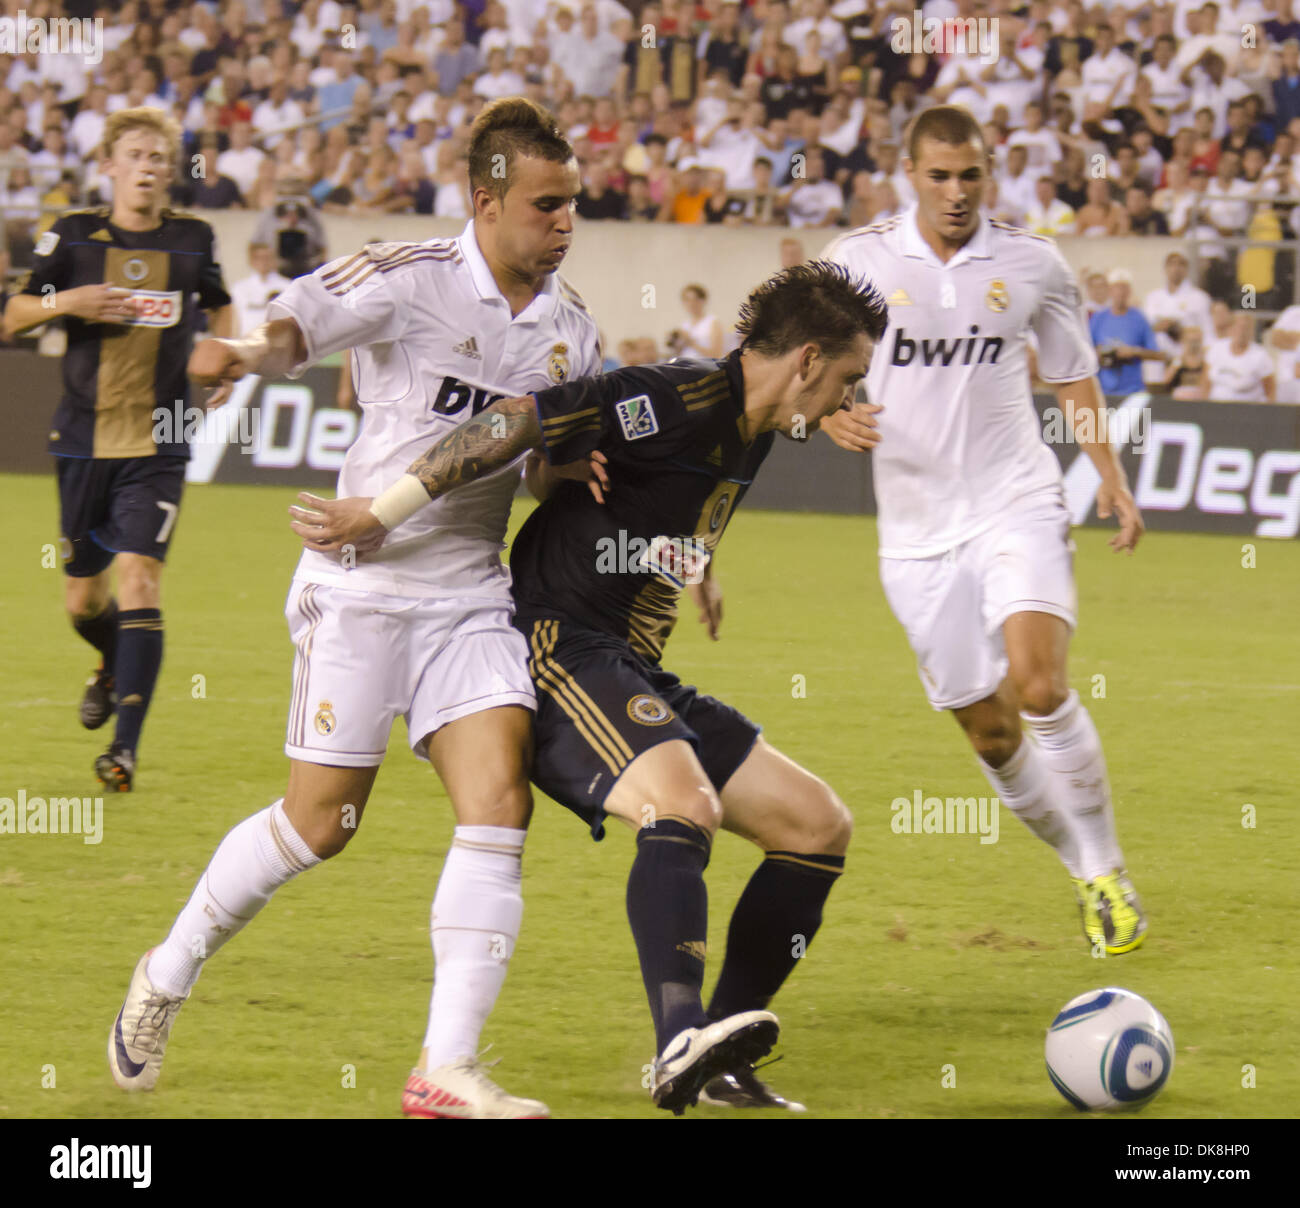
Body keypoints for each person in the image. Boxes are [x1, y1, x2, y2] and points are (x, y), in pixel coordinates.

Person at [286, 262, 889, 1114]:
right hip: (555, 645)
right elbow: (520, 419)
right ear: (807, 358)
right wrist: (379, 513)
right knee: (682, 806)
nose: (846, 402)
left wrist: (693, 566)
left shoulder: (752, 429)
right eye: (846, 380)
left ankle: (715, 1057)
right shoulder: (675, 398)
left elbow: (655, 507)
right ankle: (679, 1036)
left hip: (628, 666)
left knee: (817, 825)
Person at [105, 98, 601, 1120]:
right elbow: (296, 327)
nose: (564, 224)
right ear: (486, 200)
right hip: (361, 585)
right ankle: (169, 963)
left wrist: (580, 473)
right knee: (321, 823)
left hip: (469, 595)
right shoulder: (407, 275)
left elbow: (544, 470)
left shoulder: (572, 332)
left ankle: (444, 1067)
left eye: (573, 207)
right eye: (546, 206)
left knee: (498, 800)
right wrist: (246, 356)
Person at [822, 105, 1149, 957]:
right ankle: (1082, 869)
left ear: (990, 172)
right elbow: (794, 365)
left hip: (1015, 499)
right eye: (939, 175)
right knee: (993, 732)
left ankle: (1109, 871)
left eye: (971, 175)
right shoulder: (854, 262)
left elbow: (1073, 375)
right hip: (916, 535)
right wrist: (824, 418)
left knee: (1038, 687)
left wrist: (1108, 477)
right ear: (909, 172)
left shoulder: (1032, 262)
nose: (956, 192)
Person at [2, 108, 232, 791]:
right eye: (135, 154)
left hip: (160, 440)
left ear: (169, 170)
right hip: (81, 440)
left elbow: (219, 305)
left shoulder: (193, 239)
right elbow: (14, 316)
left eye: (160, 157)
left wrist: (225, 355)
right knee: (83, 602)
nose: (149, 166)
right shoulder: (73, 236)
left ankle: (123, 752)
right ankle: (109, 662)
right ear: (108, 165)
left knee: (140, 581)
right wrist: (70, 300)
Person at [1089, 268, 1167, 396]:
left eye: (1124, 288)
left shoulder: (1139, 318)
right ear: (1110, 290)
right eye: (1117, 288)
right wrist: (1102, 352)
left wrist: (1135, 352)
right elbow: (1086, 352)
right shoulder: (1098, 318)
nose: (1120, 293)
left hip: (1132, 390)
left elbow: (1158, 355)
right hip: (1103, 391)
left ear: (1129, 291)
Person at [1205, 311, 1276, 401]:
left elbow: (1270, 390)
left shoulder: (1261, 355)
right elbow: (1205, 382)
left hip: (1248, 408)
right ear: (1231, 328)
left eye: (1247, 328)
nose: (1242, 332)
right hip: (1216, 405)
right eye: (1239, 327)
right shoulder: (1216, 348)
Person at [229, 241, 291, 334]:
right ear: (251, 261)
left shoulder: (287, 286)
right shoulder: (239, 288)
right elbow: (235, 320)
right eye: (259, 258)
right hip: (248, 340)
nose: (263, 262)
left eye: (267, 258)